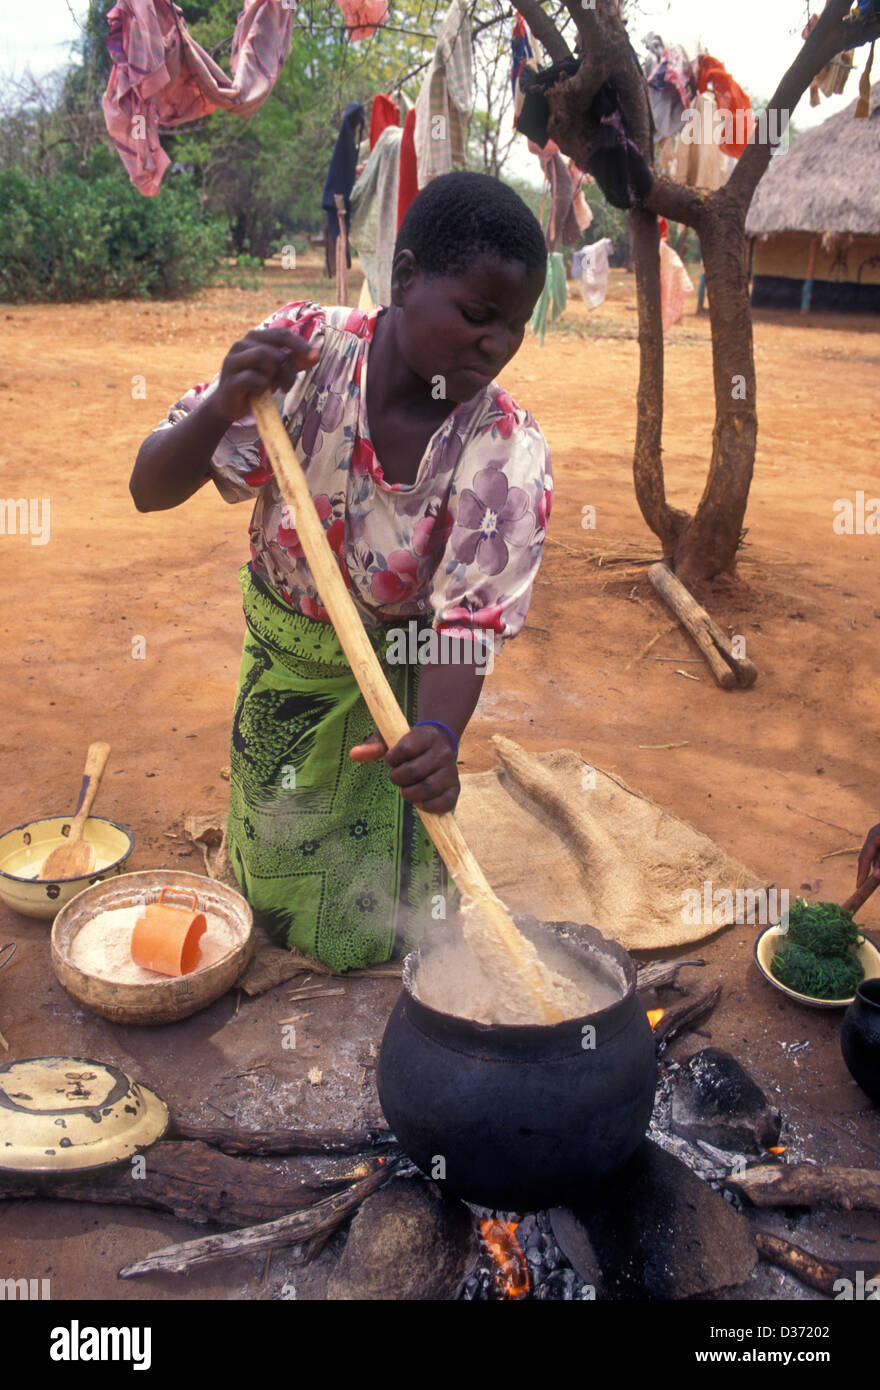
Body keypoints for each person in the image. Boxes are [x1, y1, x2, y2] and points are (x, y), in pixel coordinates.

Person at [130, 171, 551, 971]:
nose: (495, 344)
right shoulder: (304, 357)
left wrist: (437, 733)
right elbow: (149, 490)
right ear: (406, 277)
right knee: (271, 877)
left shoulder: (506, 451)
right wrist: (223, 401)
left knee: (382, 931)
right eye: (476, 315)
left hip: (394, 694)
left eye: (516, 326)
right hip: (284, 676)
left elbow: (466, 626)